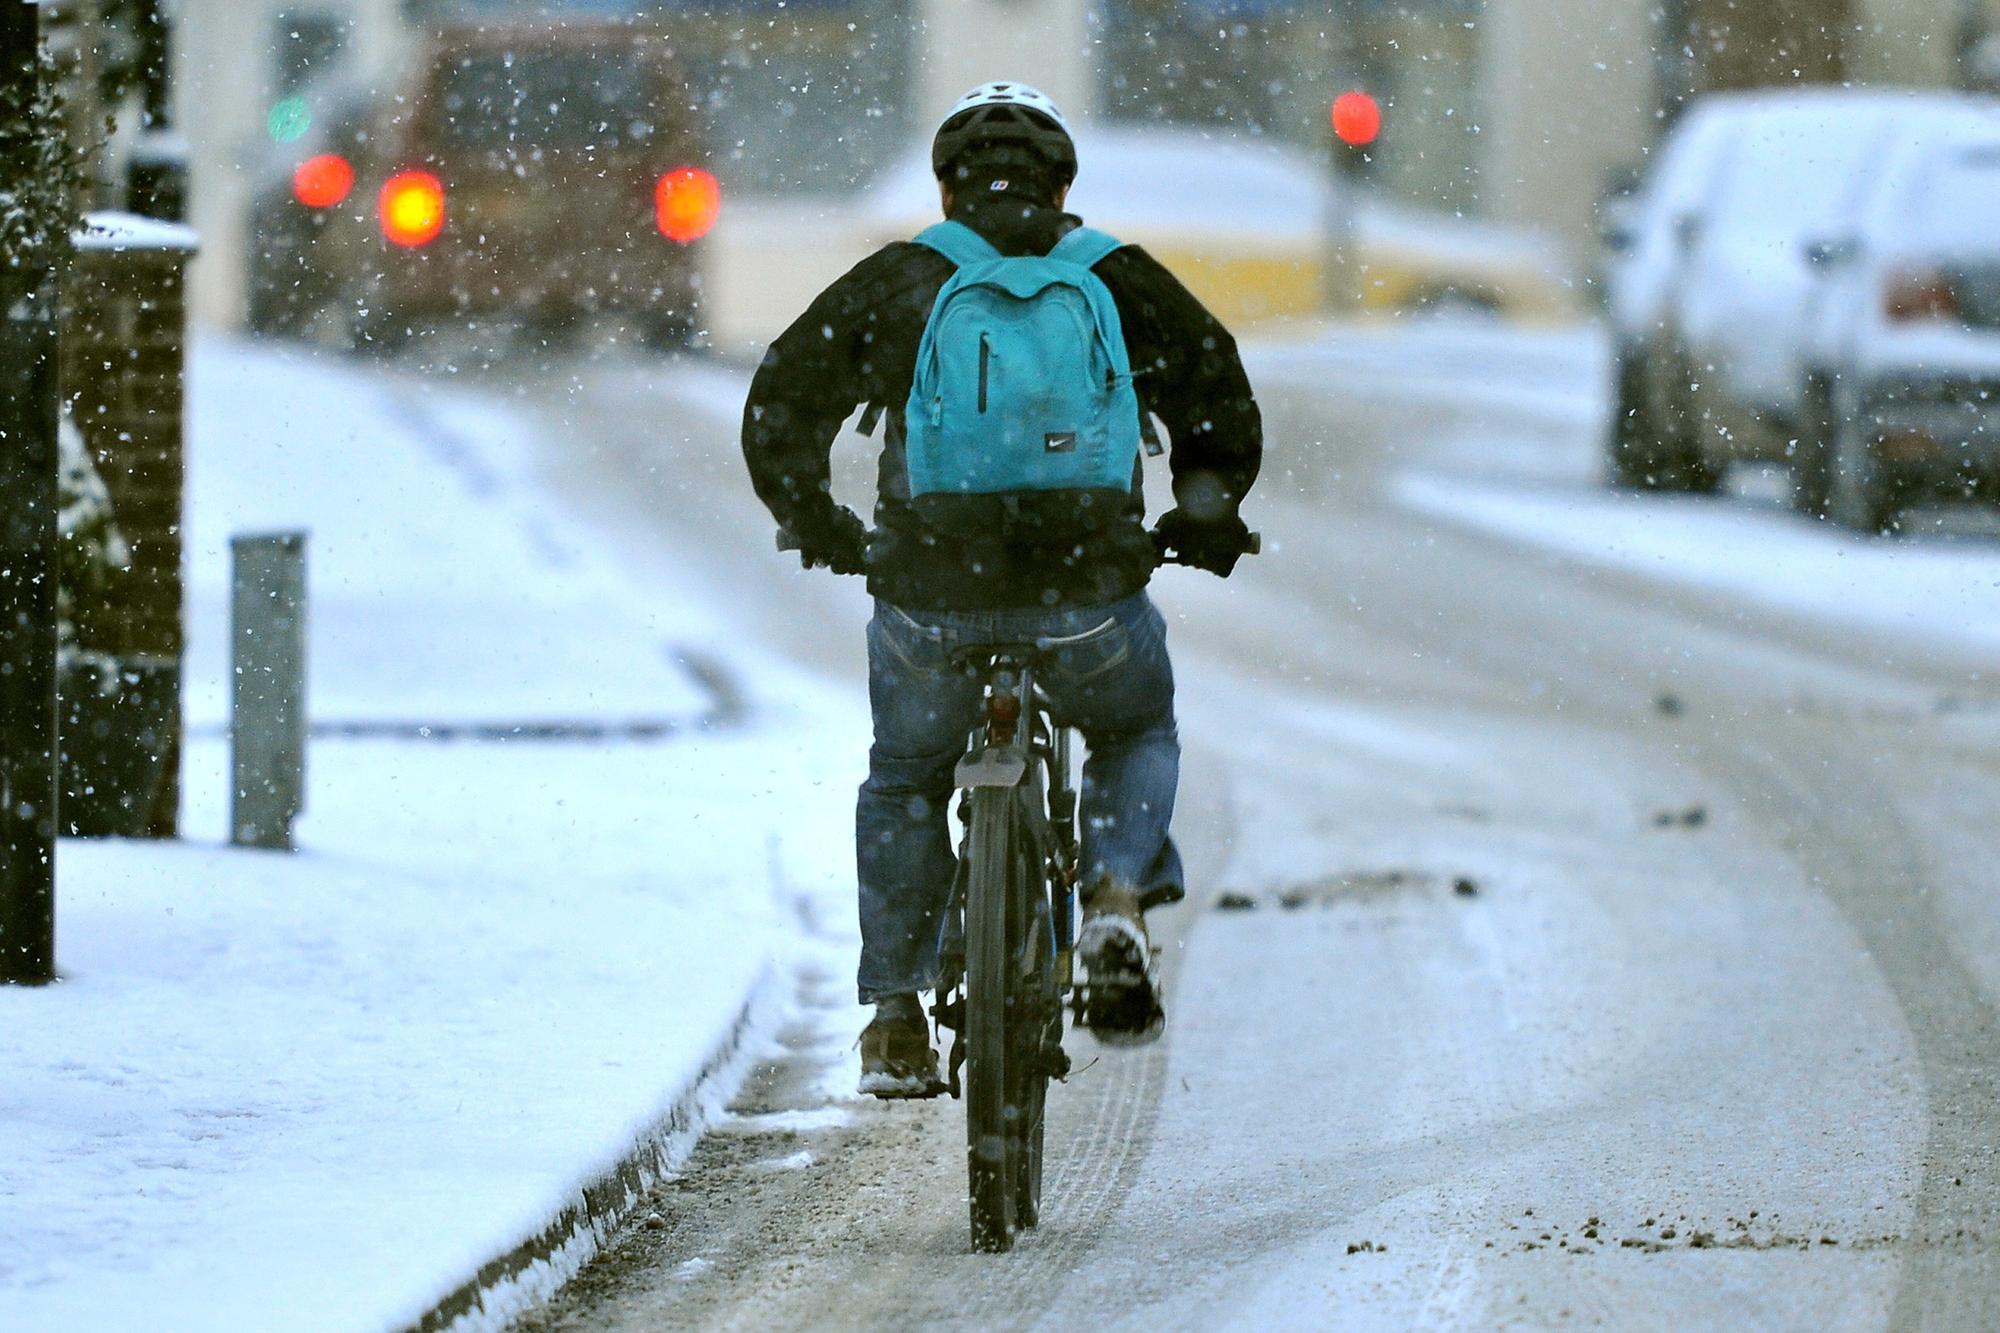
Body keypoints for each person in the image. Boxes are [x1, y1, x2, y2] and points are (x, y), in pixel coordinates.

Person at [742, 81, 1262, 1097]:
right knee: (1129, 729)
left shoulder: (904, 279)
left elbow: (783, 399)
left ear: (945, 188)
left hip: (930, 586)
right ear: (1062, 184)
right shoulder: (1112, 276)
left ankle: (893, 1016)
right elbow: (1215, 387)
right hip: (1088, 590)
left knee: (903, 776)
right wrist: (1202, 510)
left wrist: (819, 523)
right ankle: (1113, 895)